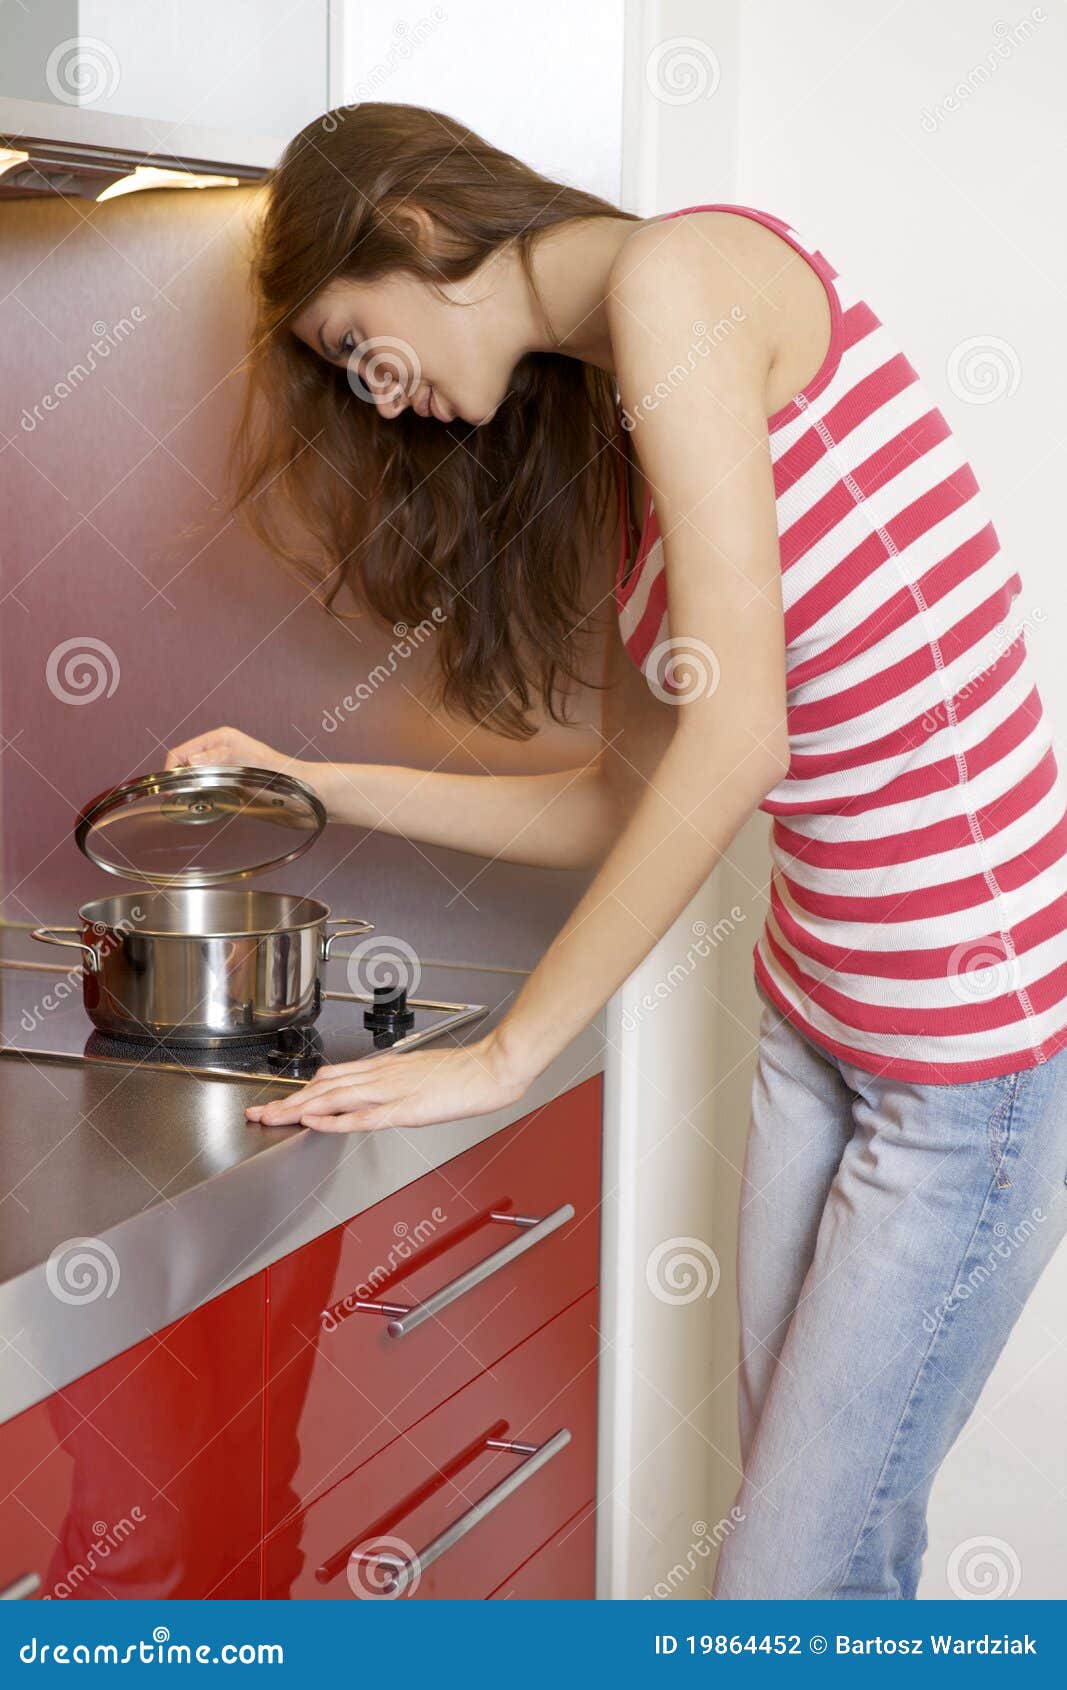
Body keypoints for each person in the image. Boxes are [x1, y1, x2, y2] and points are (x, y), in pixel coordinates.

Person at [166, 103, 1067, 1598]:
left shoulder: (685, 282)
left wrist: (509, 1052)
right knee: (835, 1567)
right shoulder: (629, 432)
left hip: (972, 1070)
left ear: (406, 228)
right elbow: (612, 798)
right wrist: (310, 780)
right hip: (819, 1029)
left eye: (352, 344)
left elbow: (741, 743)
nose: (375, 396)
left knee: (785, 1585)